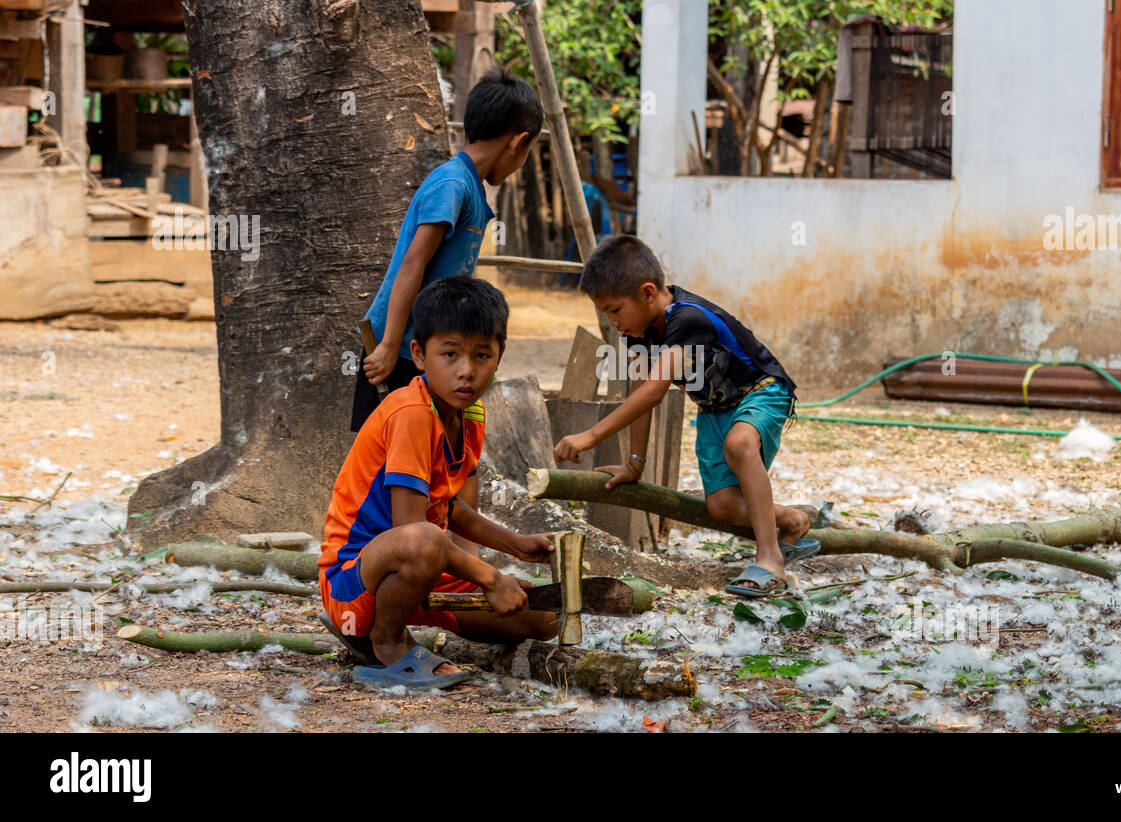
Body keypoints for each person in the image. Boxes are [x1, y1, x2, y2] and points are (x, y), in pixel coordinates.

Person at [321, 277, 556, 688]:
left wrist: (515, 545)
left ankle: (396, 617)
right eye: (450, 354)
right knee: (425, 540)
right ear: (419, 354)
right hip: (352, 578)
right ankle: (384, 643)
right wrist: (489, 577)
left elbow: (447, 508)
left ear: (500, 356)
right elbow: (413, 531)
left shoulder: (472, 415)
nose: (467, 371)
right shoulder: (412, 413)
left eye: (482, 355)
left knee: (543, 617)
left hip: (418, 573)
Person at [553, 235, 818, 599]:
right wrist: (634, 464)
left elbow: (654, 391)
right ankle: (790, 521)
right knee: (722, 507)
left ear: (648, 293)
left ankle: (770, 559)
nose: (612, 321)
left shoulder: (688, 319)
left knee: (740, 444)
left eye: (615, 310)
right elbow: (639, 390)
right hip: (714, 410)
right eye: (606, 313)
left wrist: (591, 436)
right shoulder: (638, 333)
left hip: (762, 391)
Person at [351, 65, 543, 432]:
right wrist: (390, 345)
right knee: (383, 453)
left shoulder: (468, 185)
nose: (521, 163)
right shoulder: (453, 184)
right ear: (518, 142)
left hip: (428, 347)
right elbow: (413, 264)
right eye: (527, 151)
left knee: (424, 447)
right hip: (403, 347)